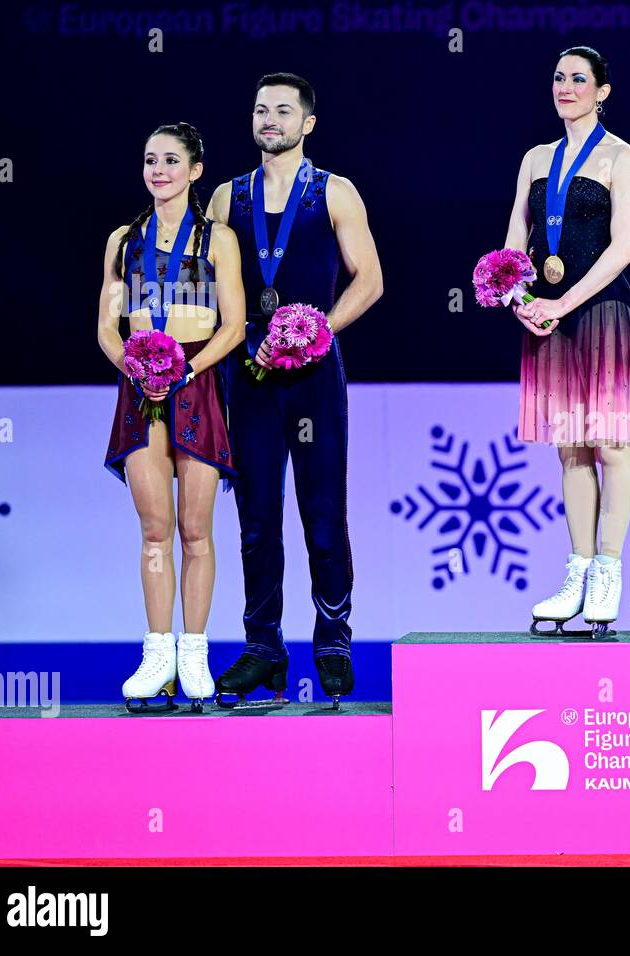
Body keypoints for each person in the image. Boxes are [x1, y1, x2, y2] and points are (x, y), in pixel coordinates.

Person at [207, 73, 383, 708]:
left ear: (308, 123)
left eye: (283, 110)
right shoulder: (227, 199)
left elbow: (371, 279)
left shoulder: (335, 192)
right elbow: (212, 293)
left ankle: (333, 642)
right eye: (261, 110)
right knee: (255, 519)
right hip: (249, 374)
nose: (269, 119)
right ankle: (263, 650)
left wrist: (320, 328)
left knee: (323, 513)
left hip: (314, 374)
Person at [97, 122, 246, 712]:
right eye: (150, 160)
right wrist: (133, 365)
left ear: (195, 170)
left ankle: (195, 652)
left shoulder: (218, 239)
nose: (159, 170)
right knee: (155, 529)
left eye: (171, 160)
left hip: (196, 383)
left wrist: (186, 370)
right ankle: (156, 655)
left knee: (195, 531)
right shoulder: (123, 240)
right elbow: (107, 326)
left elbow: (233, 325)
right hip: (138, 387)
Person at [504, 46, 630, 636]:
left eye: (579, 79)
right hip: (546, 319)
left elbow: (624, 248)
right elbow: (515, 239)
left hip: (602, 312)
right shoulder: (536, 158)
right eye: (559, 77)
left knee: (611, 444)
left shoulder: (623, 158)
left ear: (603, 91)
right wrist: (517, 299)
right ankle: (578, 570)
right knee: (570, 448)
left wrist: (563, 300)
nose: (566, 86)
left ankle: (610, 570)